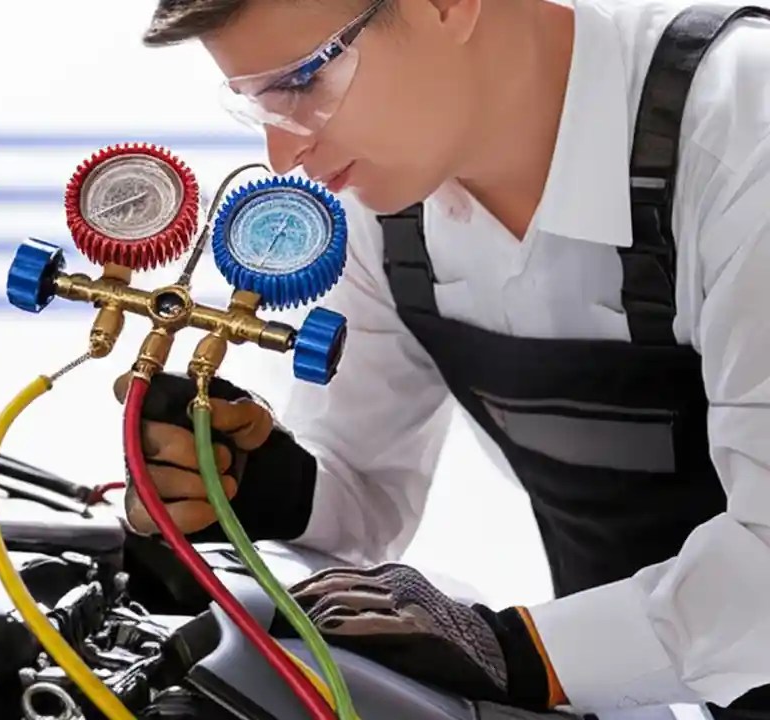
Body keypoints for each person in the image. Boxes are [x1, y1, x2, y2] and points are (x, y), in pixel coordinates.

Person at [116, 0, 770, 715]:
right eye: (256, 104)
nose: (285, 154)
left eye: (302, 82)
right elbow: (364, 492)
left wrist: (523, 653)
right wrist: (268, 486)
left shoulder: (745, 127)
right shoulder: (392, 194)